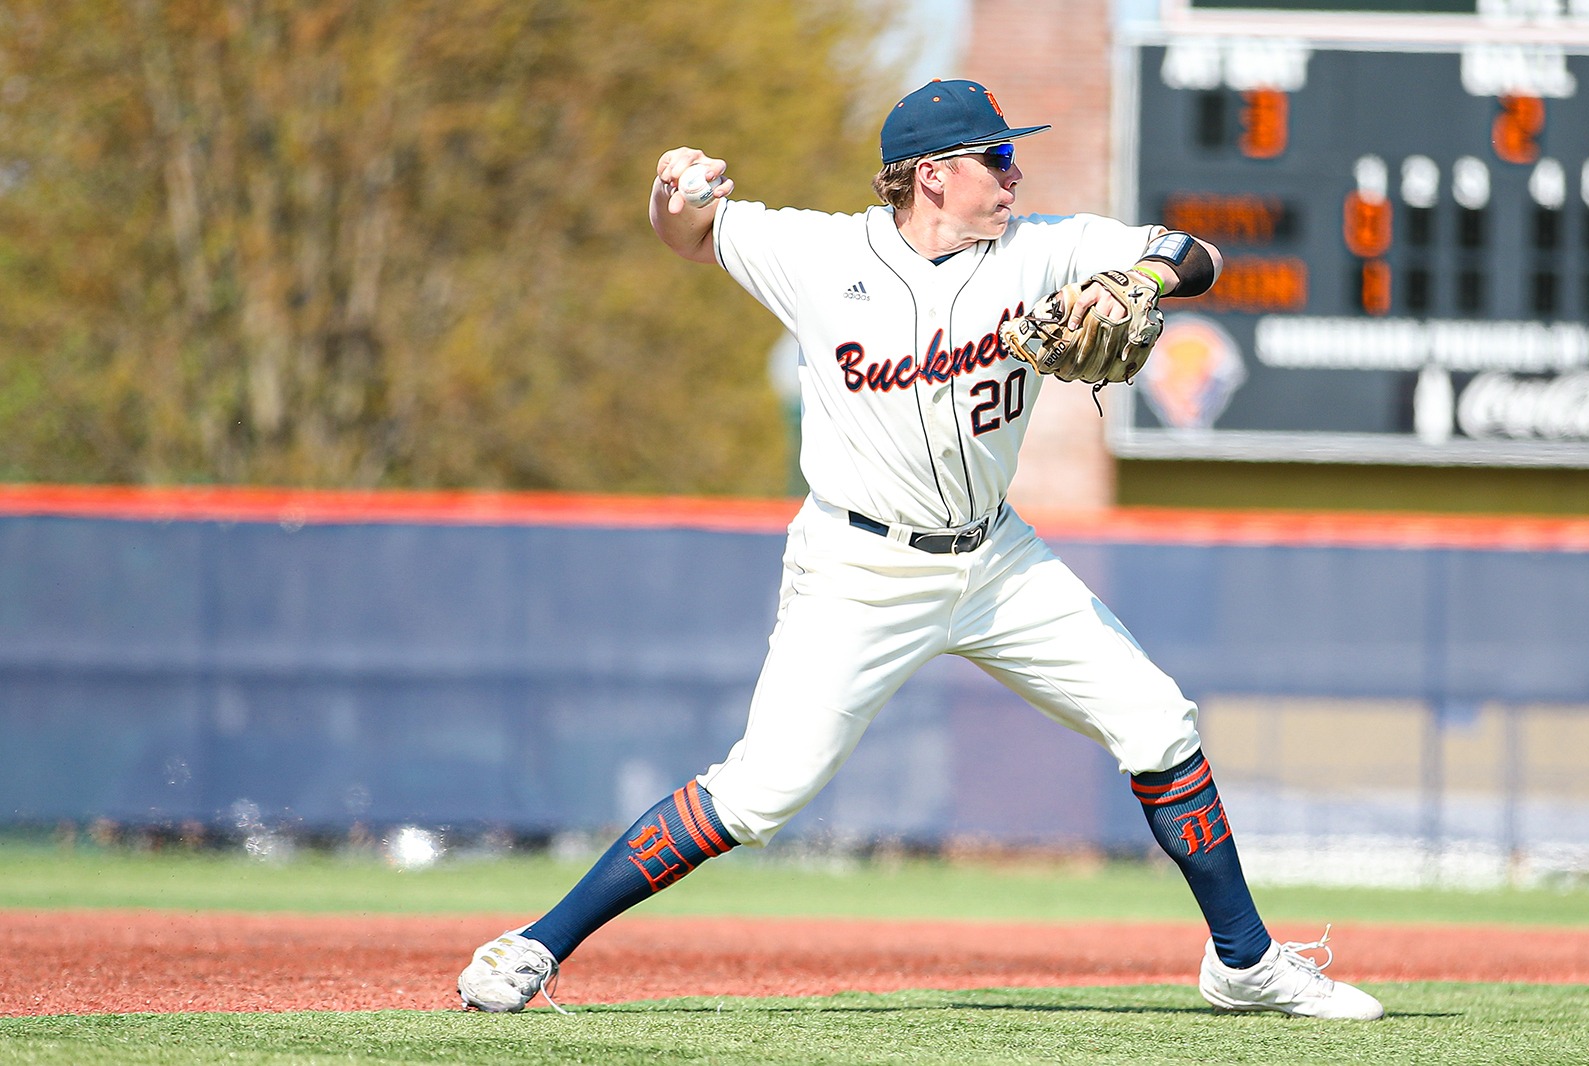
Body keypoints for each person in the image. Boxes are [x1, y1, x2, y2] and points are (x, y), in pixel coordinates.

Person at [456, 78, 1383, 1022]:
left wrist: (1137, 281)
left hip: (998, 559)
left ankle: (1245, 962)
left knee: (1156, 721)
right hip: (860, 567)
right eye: (997, 157)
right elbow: (691, 233)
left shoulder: (1042, 249)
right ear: (933, 174)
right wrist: (672, 191)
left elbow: (1198, 253)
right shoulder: (819, 253)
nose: (1014, 174)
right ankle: (535, 944)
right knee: (761, 794)